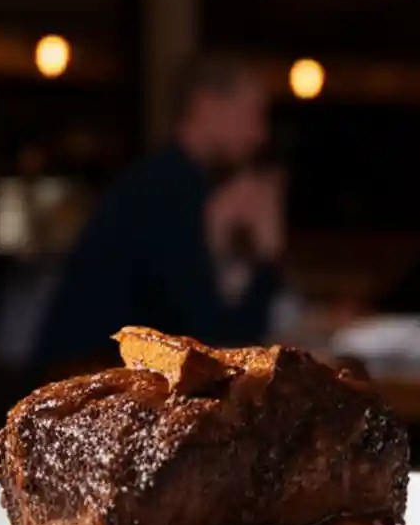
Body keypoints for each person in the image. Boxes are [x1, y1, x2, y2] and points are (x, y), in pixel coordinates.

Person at [32, 54, 281, 370]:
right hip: (88, 381)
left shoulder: (166, 180)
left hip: (99, 375)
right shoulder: (167, 191)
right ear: (206, 105)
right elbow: (217, 341)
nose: (260, 135)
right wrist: (265, 253)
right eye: (253, 115)